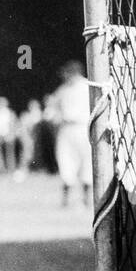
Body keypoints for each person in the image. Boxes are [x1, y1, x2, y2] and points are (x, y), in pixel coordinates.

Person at [45, 61, 93, 207]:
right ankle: (65, 200)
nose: (65, 76)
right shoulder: (63, 90)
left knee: (87, 163)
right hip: (66, 128)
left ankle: (86, 199)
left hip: (83, 126)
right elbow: (51, 110)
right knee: (65, 161)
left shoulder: (87, 86)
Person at [14, 99, 44, 181]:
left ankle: (33, 170)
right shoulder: (27, 116)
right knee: (26, 155)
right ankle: (23, 170)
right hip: (27, 139)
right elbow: (23, 129)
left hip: (34, 139)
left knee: (32, 155)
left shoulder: (38, 115)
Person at [0, 97, 17, 174]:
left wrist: (10, 134)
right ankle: (0, 169)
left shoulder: (9, 113)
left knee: (9, 153)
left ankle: (11, 169)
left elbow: (13, 124)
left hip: (8, 136)